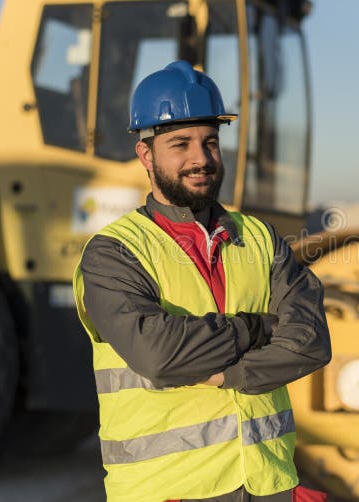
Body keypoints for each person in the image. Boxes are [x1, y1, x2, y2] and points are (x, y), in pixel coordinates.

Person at [72, 60, 332, 502]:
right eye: (180, 144)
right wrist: (255, 329)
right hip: (169, 490)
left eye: (210, 142)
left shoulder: (260, 238)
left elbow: (310, 343)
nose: (201, 158)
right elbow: (156, 354)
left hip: (267, 483)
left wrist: (228, 373)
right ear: (146, 155)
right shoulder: (114, 253)